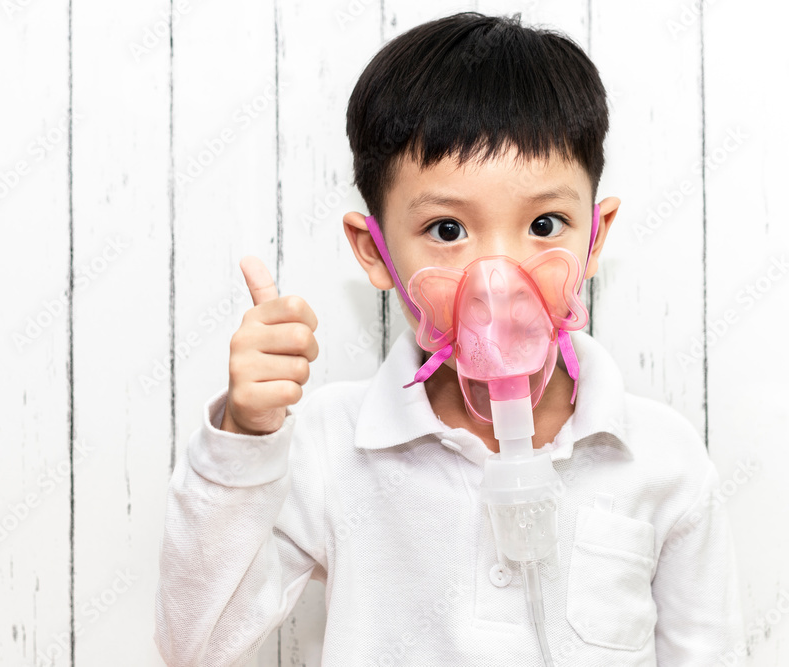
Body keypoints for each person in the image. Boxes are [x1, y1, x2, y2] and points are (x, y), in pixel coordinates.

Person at [155, 12, 743, 666]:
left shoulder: (662, 460)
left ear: (595, 238)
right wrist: (244, 435)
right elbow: (194, 645)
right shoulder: (334, 446)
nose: (500, 278)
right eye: (446, 230)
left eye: (545, 223)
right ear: (373, 251)